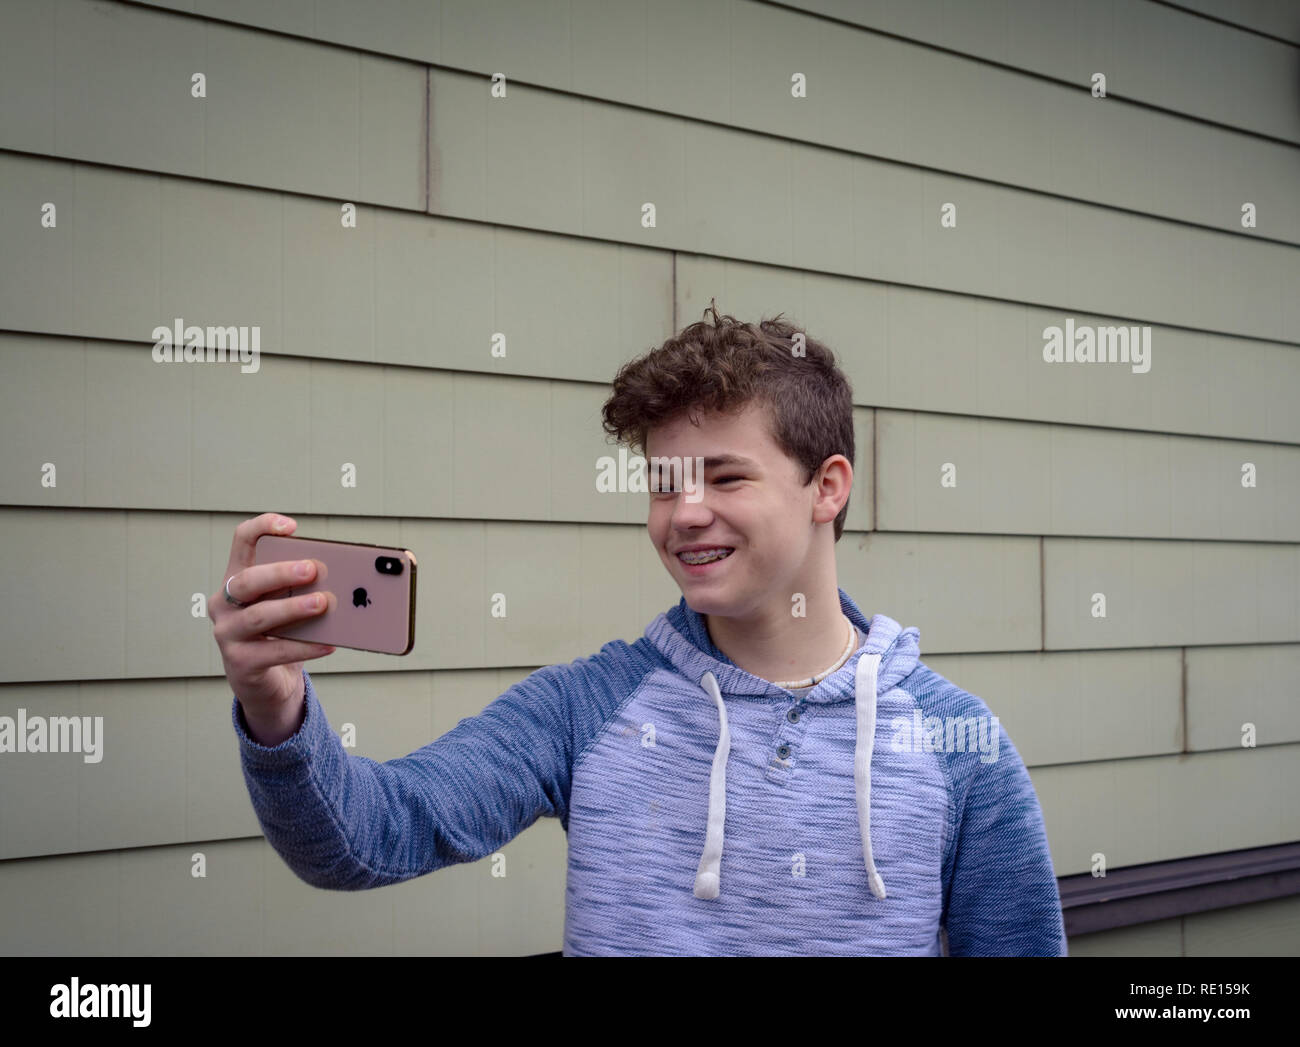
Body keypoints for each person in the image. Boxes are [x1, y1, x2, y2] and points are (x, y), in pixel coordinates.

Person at [211, 301, 1067, 956]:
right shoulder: (585, 708)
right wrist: (276, 708)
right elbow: (364, 839)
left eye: (726, 476)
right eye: (665, 483)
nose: (684, 514)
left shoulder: (962, 747)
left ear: (827, 486)